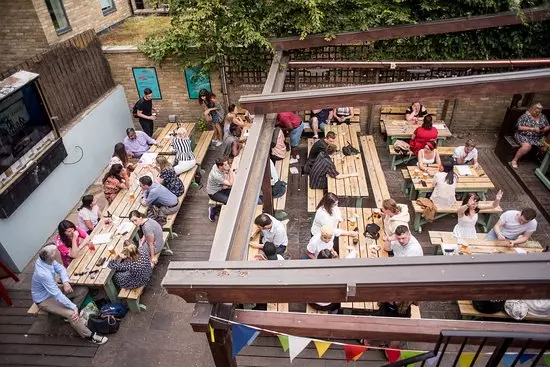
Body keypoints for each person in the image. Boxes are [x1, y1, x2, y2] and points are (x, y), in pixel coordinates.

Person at [32, 244, 108, 344]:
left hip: (53, 290)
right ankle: (89, 335)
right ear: (52, 256)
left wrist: (65, 282)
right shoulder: (43, 274)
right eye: (57, 251)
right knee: (71, 313)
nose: (59, 251)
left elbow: (61, 269)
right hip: (45, 299)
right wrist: (73, 307)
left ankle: (73, 316)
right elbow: (57, 295)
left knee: (82, 290)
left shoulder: (46, 260)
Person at [511, 103, 550, 168]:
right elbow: (519, 127)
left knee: (546, 146)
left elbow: (548, 126)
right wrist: (532, 129)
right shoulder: (525, 116)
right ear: (532, 109)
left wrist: (543, 129)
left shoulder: (542, 116)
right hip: (524, 135)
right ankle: (514, 160)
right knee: (527, 147)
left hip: (538, 137)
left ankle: (541, 161)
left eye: (539, 112)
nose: (537, 113)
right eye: (536, 111)